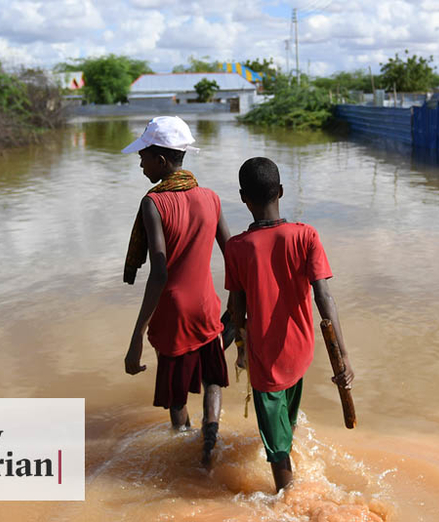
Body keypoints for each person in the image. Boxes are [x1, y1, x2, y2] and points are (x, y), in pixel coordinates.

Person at [224, 157, 355, 491]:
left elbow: (238, 309)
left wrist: (238, 346)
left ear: (243, 197)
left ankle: (288, 500)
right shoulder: (306, 235)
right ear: (280, 191)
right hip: (300, 352)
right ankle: (293, 474)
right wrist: (343, 356)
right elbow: (325, 298)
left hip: (266, 359)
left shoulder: (237, 248)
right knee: (288, 423)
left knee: (277, 449)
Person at [121, 116, 231, 466]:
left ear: (162, 161)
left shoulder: (153, 203)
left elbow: (159, 271)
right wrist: (240, 304)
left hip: (173, 313)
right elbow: (233, 253)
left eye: (144, 156)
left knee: (176, 396)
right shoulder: (211, 198)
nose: (140, 164)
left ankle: (186, 450)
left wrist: (137, 334)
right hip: (207, 306)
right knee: (213, 376)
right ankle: (211, 430)